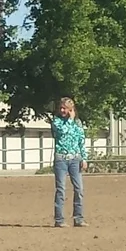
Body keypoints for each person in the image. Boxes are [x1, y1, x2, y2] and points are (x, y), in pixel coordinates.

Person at [50, 97, 87, 227]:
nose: (62, 110)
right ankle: (59, 219)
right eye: (61, 108)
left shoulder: (78, 123)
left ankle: (78, 218)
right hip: (61, 159)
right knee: (61, 189)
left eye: (64, 108)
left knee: (79, 189)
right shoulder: (57, 121)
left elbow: (81, 140)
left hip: (75, 159)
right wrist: (70, 120)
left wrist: (84, 158)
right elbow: (62, 132)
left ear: (71, 109)